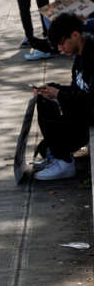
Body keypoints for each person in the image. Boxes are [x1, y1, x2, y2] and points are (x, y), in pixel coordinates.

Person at [31, 12, 94, 181]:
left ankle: (64, 162)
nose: (60, 49)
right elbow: (77, 89)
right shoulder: (80, 56)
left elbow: (89, 100)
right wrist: (54, 89)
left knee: (52, 134)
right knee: (44, 101)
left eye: (61, 43)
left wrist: (59, 94)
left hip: (89, 114)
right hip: (84, 112)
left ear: (75, 35)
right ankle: (58, 157)